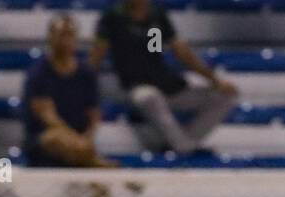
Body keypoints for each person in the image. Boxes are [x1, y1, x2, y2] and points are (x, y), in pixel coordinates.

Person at [90, 0, 239, 155]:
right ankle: (184, 147)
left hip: (166, 84)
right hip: (136, 86)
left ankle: (181, 144)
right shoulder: (113, 17)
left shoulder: (157, 16)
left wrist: (214, 80)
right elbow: (97, 55)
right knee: (149, 97)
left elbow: (180, 52)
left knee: (225, 96)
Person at [23, 14, 112, 168]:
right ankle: (101, 166)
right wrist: (78, 142)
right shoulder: (39, 73)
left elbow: (93, 114)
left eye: (70, 35)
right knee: (55, 138)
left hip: (80, 142)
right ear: (51, 37)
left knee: (76, 148)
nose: (65, 41)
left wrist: (87, 139)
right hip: (45, 141)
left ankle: (95, 165)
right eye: (61, 35)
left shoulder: (86, 73)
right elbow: (49, 118)